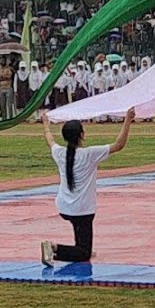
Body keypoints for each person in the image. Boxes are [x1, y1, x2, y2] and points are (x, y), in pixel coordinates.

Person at [40, 107, 135, 266]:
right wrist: (128, 120)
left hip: (64, 207)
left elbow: (50, 141)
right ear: (82, 135)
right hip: (82, 210)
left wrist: (45, 124)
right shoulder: (89, 154)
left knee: (82, 243)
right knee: (84, 253)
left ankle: (71, 250)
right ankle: (53, 248)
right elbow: (119, 145)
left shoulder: (59, 153)